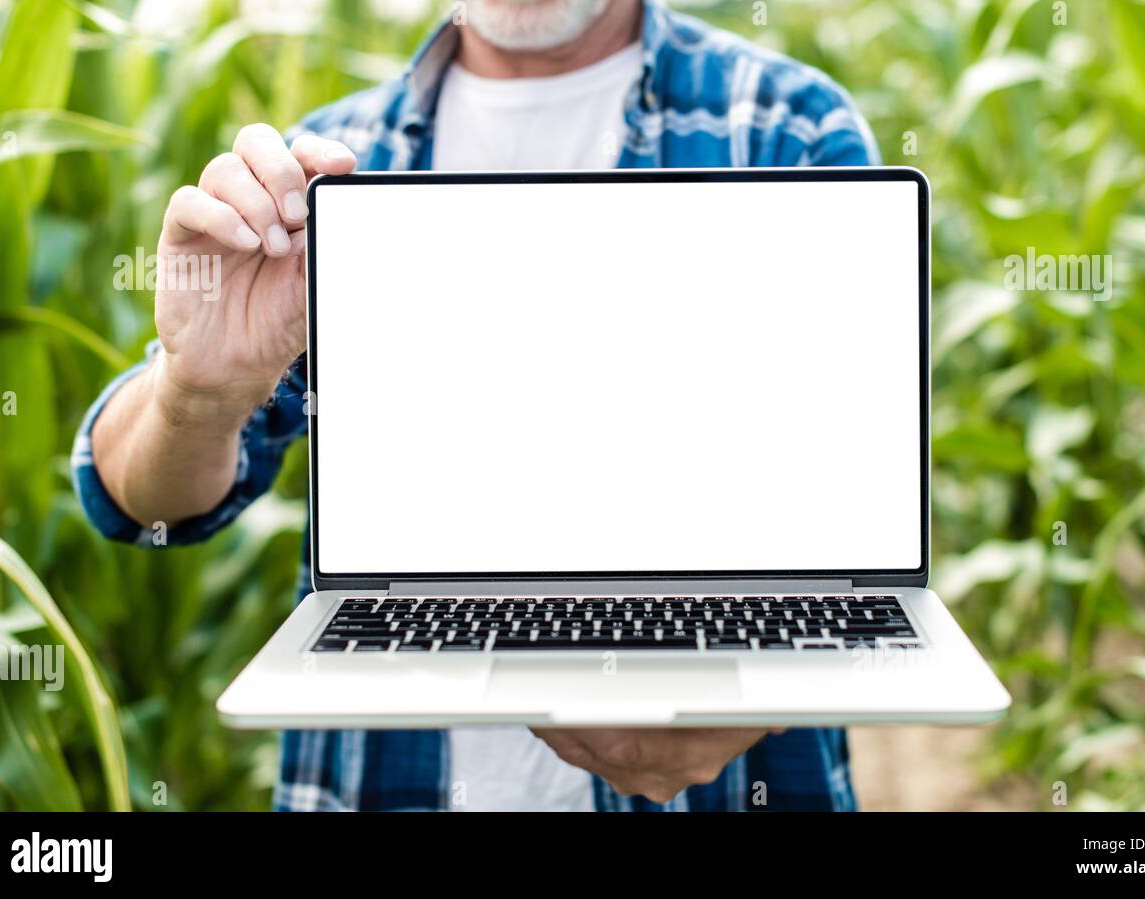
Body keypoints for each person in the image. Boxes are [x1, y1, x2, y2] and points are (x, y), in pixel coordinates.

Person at [74, 0, 878, 811]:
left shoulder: (788, 129)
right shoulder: (326, 170)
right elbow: (143, 506)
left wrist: (755, 702)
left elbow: (857, 531)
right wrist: (195, 391)